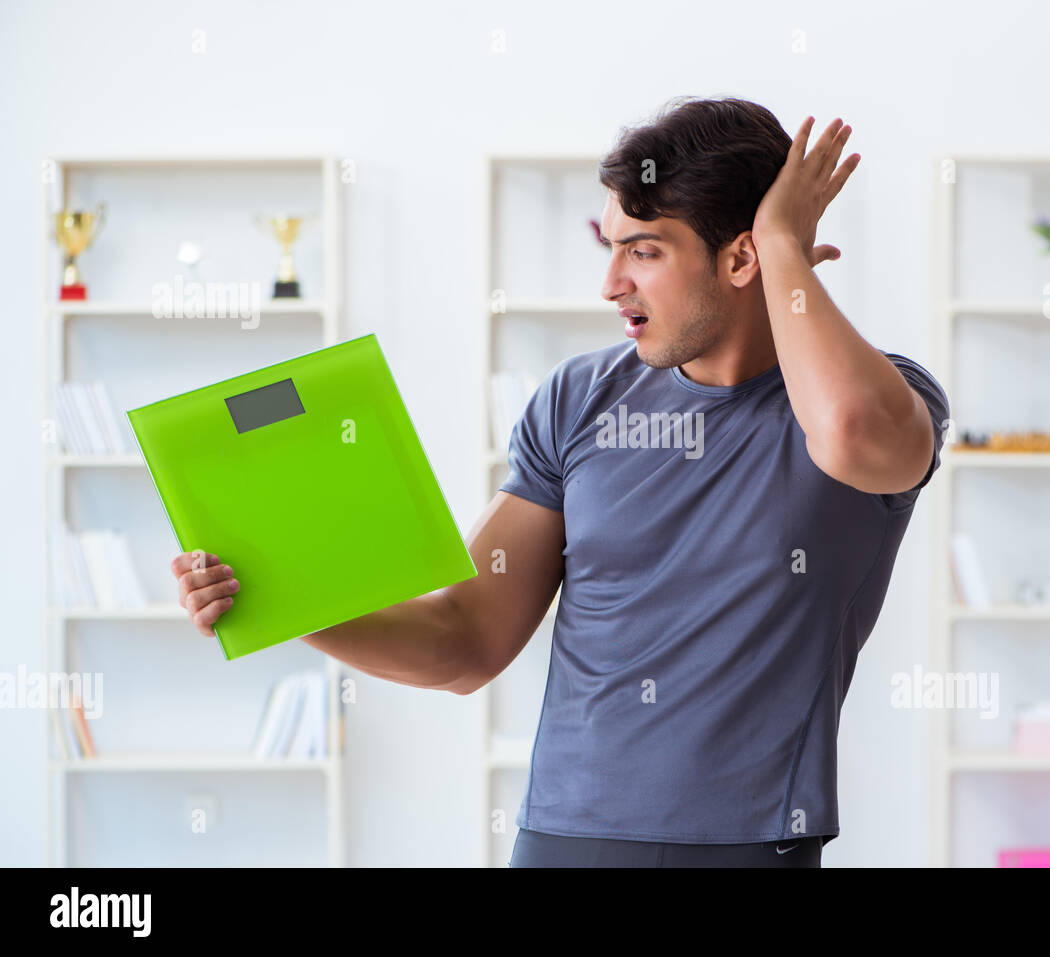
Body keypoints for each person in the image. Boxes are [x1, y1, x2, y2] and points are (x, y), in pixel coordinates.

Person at [172, 96, 950, 868]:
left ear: (742, 259)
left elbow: (852, 432)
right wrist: (279, 599)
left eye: (643, 251)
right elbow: (464, 636)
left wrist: (782, 244)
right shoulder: (579, 399)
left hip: (752, 846)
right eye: (610, 248)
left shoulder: (887, 398)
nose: (610, 283)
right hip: (561, 838)